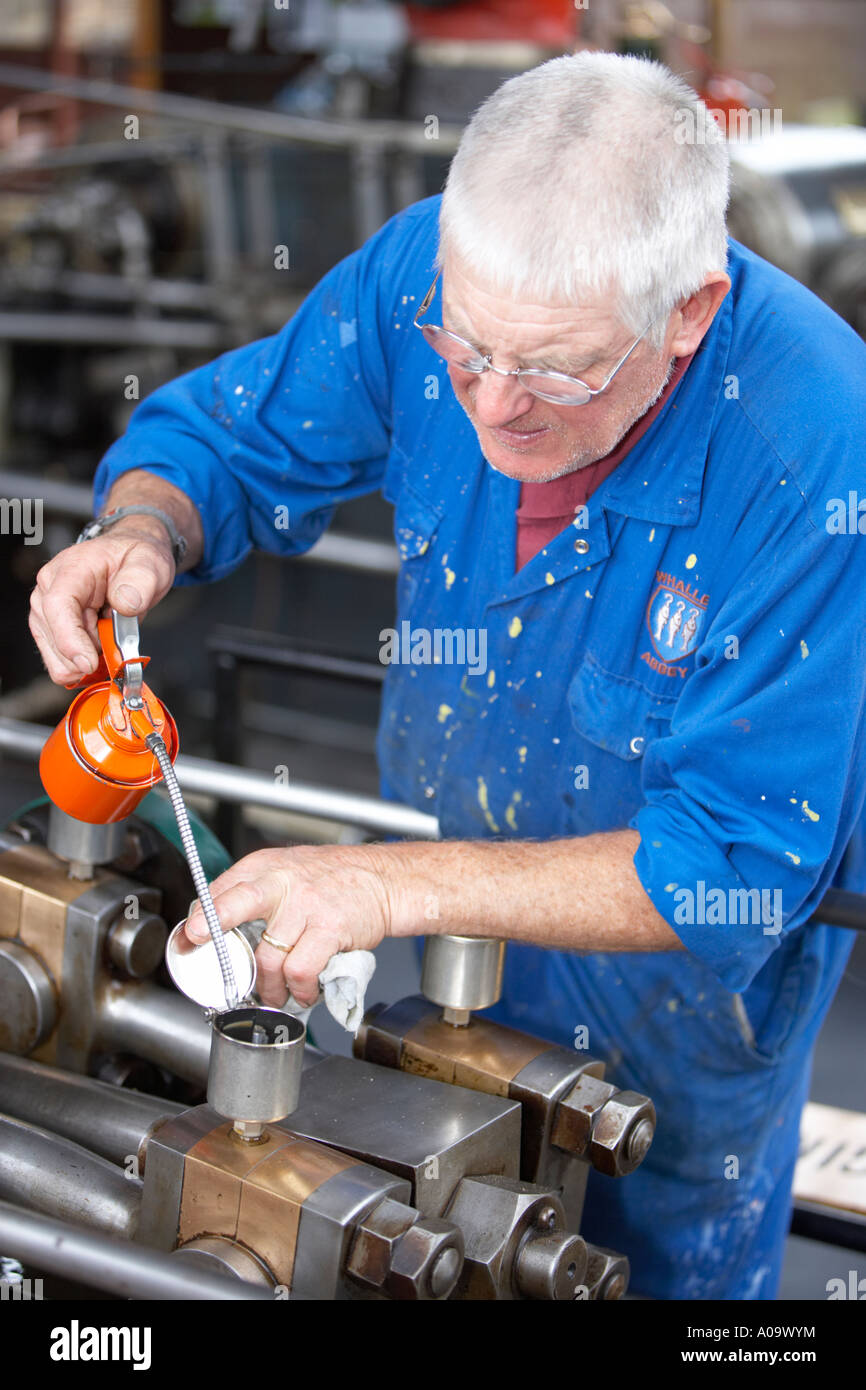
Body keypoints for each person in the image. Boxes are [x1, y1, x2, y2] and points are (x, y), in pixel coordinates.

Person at [29, 52, 866, 1299]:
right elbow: (228, 439)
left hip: (681, 989)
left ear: (685, 312)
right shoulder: (433, 270)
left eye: (555, 370)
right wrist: (147, 528)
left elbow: (732, 858)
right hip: (457, 883)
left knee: (656, 1259)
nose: (490, 404)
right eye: (463, 347)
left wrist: (383, 881)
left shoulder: (812, 448)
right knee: (451, 1194)